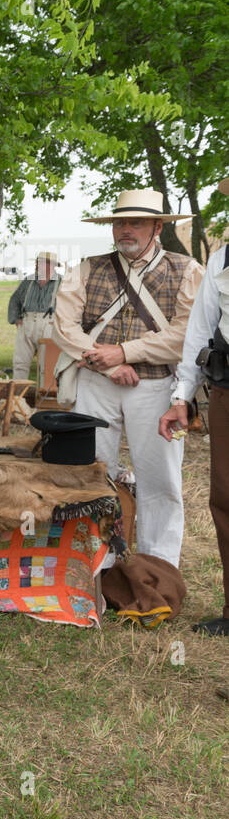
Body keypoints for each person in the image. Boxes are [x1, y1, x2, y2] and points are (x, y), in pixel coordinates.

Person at [54, 189, 202, 566]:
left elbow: (187, 337)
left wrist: (124, 352)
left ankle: (158, 568)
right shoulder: (86, 268)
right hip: (96, 383)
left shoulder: (187, 270)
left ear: (156, 227)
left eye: (135, 222)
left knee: (159, 481)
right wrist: (106, 363)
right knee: (91, 472)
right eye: (119, 222)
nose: (125, 229)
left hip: (157, 388)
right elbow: (64, 327)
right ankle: (92, 566)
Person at [158, 177, 229, 636]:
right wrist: (182, 396)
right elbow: (201, 333)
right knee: (226, 500)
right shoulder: (222, 260)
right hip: (227, 394)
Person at [8, 251, 60, 380]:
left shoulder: (62, 282)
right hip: (27, 323)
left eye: (41, 262)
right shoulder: (28, 280)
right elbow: (14, 300)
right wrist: (16, 319)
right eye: (37, 262)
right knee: (20, 362)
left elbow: (72, 306)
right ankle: (17, 398)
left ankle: (44, 397)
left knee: (47, 365)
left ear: (51, 265)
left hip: (50, 325)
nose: (37, 265)